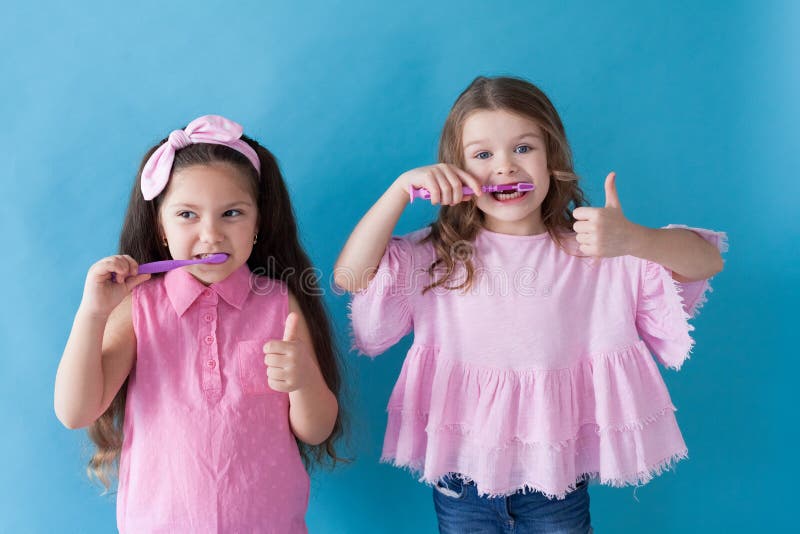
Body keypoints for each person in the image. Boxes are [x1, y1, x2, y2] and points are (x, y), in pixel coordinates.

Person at [335, 76, 726, 533]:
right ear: (454, 171)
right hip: (460, 480)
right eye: (482, 155)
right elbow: (349, 277)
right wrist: (399, 190)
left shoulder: (596, 247)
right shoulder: (436, 254)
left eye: (523, 148)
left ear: (552, 157)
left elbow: (706, 261)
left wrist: (633, 238)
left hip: (554, 482)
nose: (504, 168)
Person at [55, 115, 343, 533]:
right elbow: (75, 411)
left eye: (231, 213)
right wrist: (92, 314)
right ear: (162, 227)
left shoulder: (279, 302)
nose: (211, 235)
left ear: (258, 223)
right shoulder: (139, 307)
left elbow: (316, 431)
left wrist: (303, 381)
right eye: (188, 214)